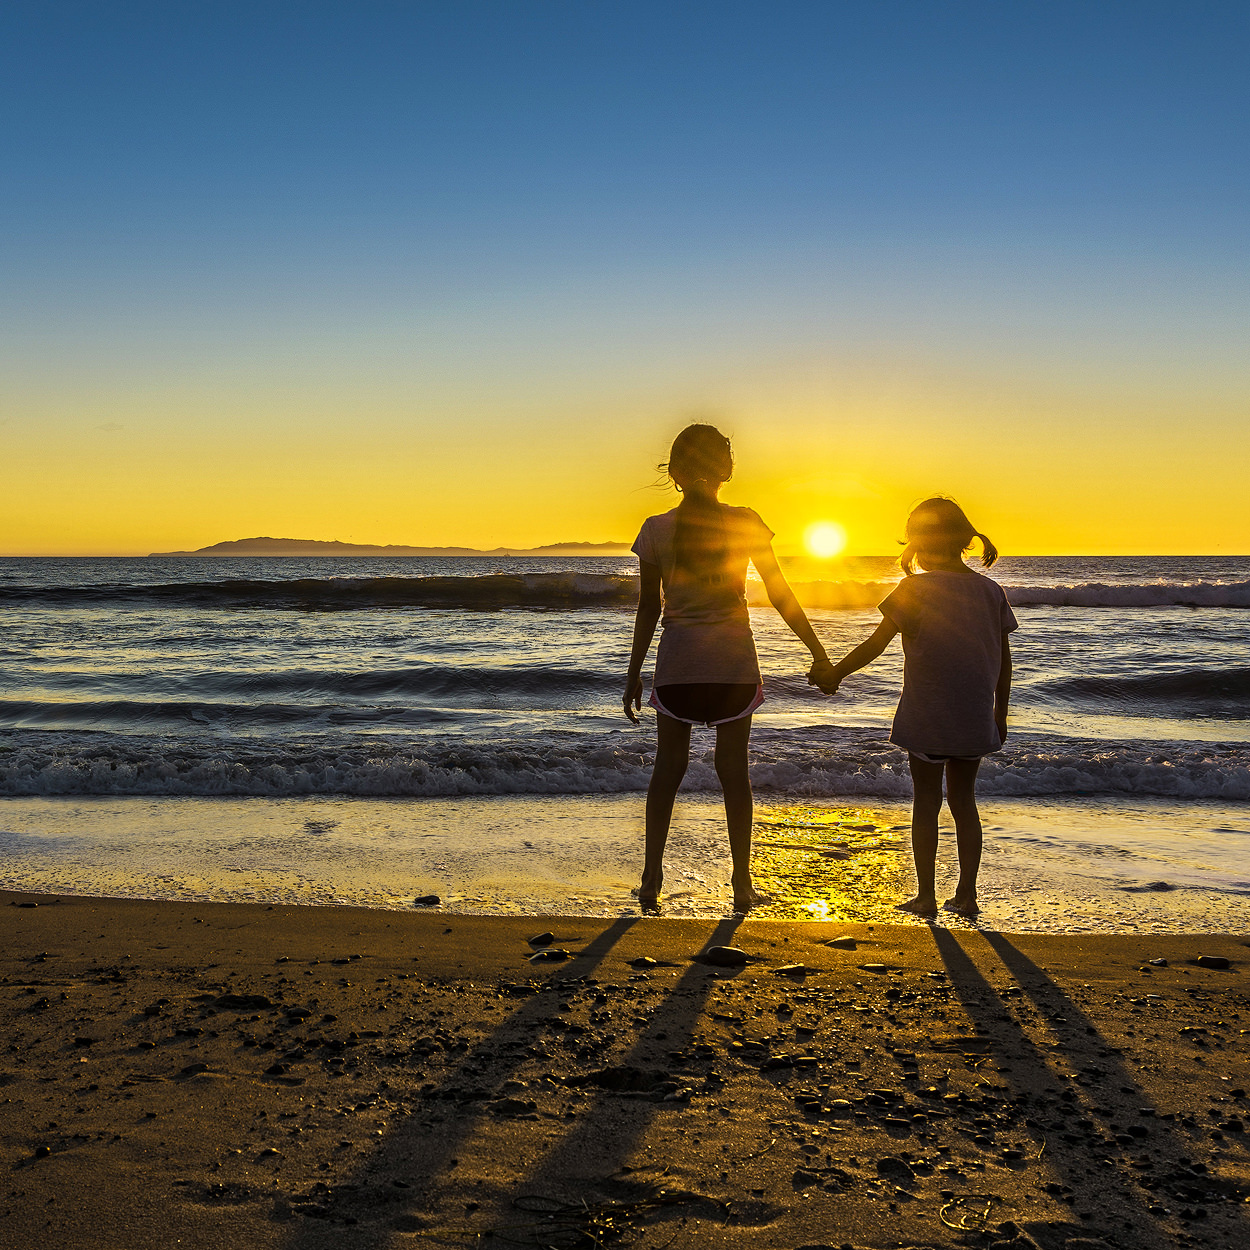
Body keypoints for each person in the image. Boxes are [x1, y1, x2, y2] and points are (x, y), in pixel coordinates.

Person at [623, 424, 836, 913]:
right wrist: (818, 652)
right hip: (733, 665)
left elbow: (649, 608)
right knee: (734, 774)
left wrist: (634, 673)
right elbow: (780, 592)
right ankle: (741, 881)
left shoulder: (655, 528)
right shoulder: (746, 521)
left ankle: (651, 877)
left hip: (679, 666)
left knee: (667, 771)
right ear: (728, 469)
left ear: (675, 473)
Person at [813, 497, 1017, 918]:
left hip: (928, 713)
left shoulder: (914, 589)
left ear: (918, 542)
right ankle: (967, 895)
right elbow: (1004, 659)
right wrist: (1000, 713)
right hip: (974, 714)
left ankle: (926, 896)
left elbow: (875, 644)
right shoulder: (989, 590)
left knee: (926, 802)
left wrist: (836, 673)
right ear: (963, 539)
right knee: (964, 802)